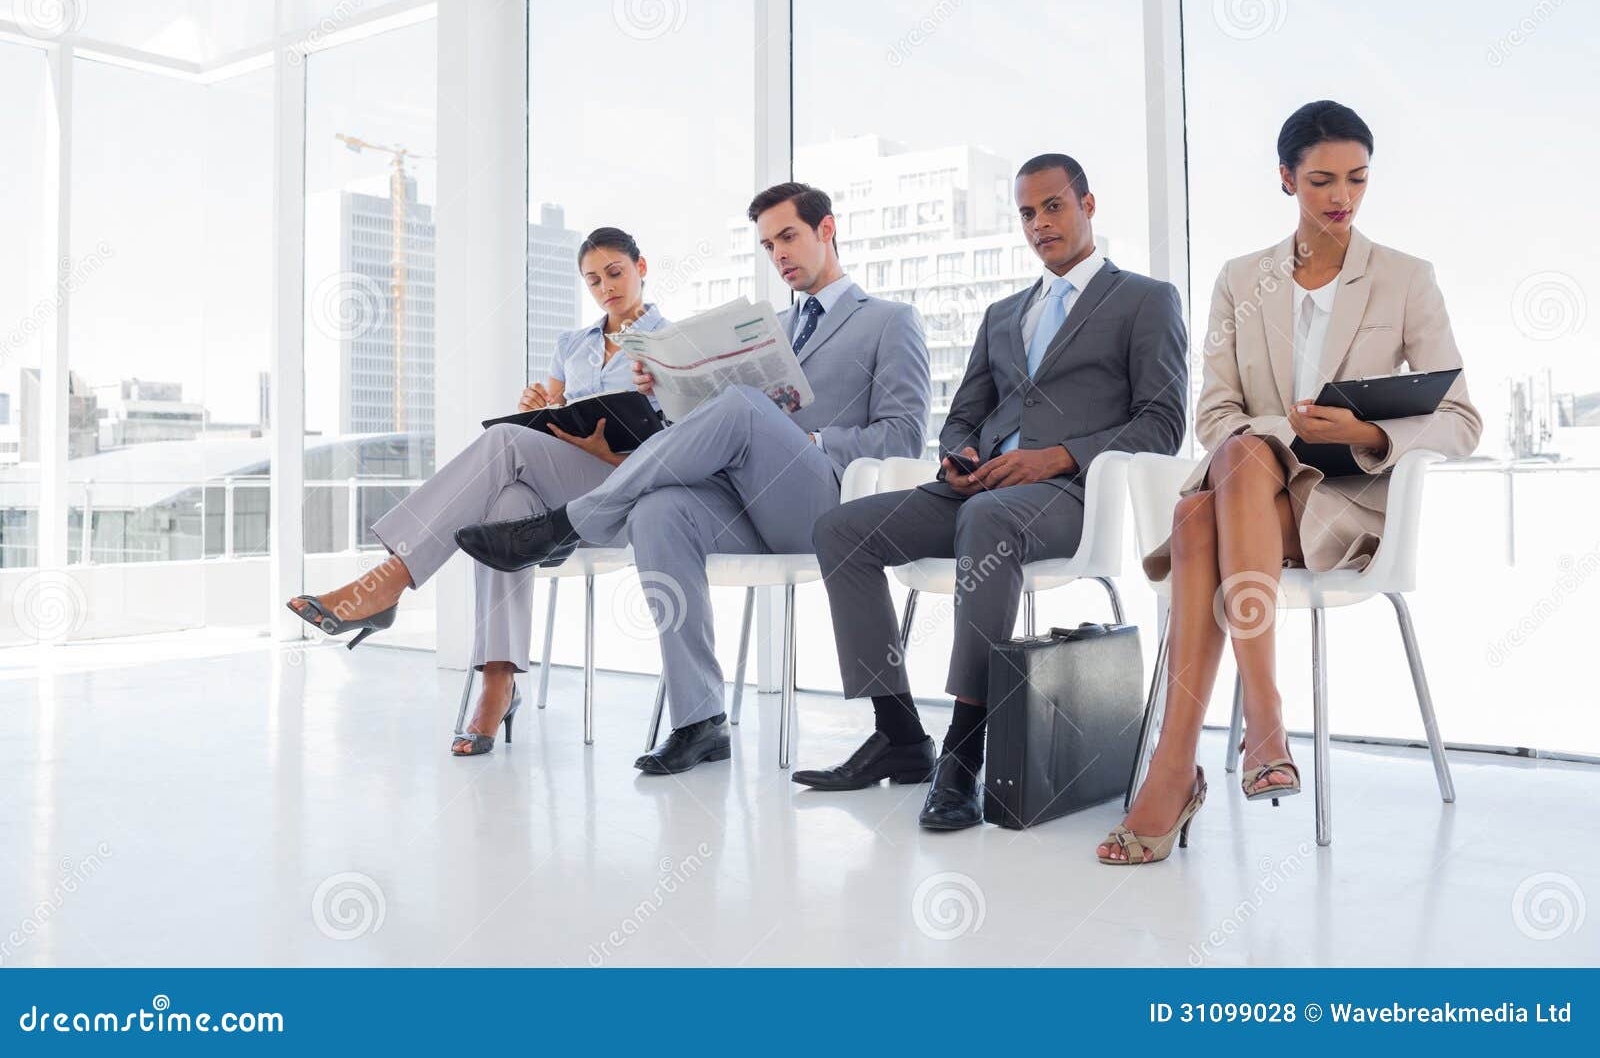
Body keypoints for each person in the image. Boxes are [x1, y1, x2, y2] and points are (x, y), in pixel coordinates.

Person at [1100, 100, 1482, 864]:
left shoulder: (1406, 278)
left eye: (1357, 179)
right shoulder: (1242, 280)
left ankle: (1178, 770)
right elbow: (1214, 412)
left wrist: (1369, 434)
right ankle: (1263, 729)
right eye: (1321, 182)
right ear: (1285, 180)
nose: (1342, 198)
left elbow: (1463, 419)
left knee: (1193, 522)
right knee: (1238, 459)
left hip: (1343, 506)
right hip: (1258, 492)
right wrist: (1280, 431)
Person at [454, 182, 932, 775]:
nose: (779, 253)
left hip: (822, 504)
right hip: (744, 501)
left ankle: (565, 523)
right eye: (767, 245)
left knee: (740, 405)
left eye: (788, 237)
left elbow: (904, 436)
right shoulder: (769, 324)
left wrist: (809, 440)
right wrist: (671, 393)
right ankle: (700, 719)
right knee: (660, 511)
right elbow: (717, 432)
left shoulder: (889, 321)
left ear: (826, 230)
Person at [793, 153, 1189, 831]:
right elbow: (964, 412)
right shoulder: (1005, 312)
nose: (1040, 224)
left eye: (1054, 207)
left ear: (1088, 206)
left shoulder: (1145, 300)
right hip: (976, 492)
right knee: (840, 531)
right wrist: (960, 455)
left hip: (1066, 499)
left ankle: (963, 753)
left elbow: (1163, 422)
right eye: (1027, 213)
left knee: (988, 521)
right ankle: (900, 732)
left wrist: (1054, 458)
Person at [286, 227, 669, 757]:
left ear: (641, 267)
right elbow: (551, 421)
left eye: (615, 273)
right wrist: (536, 406)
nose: (605, 286)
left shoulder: (673, 341)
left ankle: (388, 581)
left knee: (501, 442)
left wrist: (603, 452)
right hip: (554, 492)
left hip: (621, 490)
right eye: (593, 279)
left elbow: (679, 448)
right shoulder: (571, 346)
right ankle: (498, 681)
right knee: (504, 512)